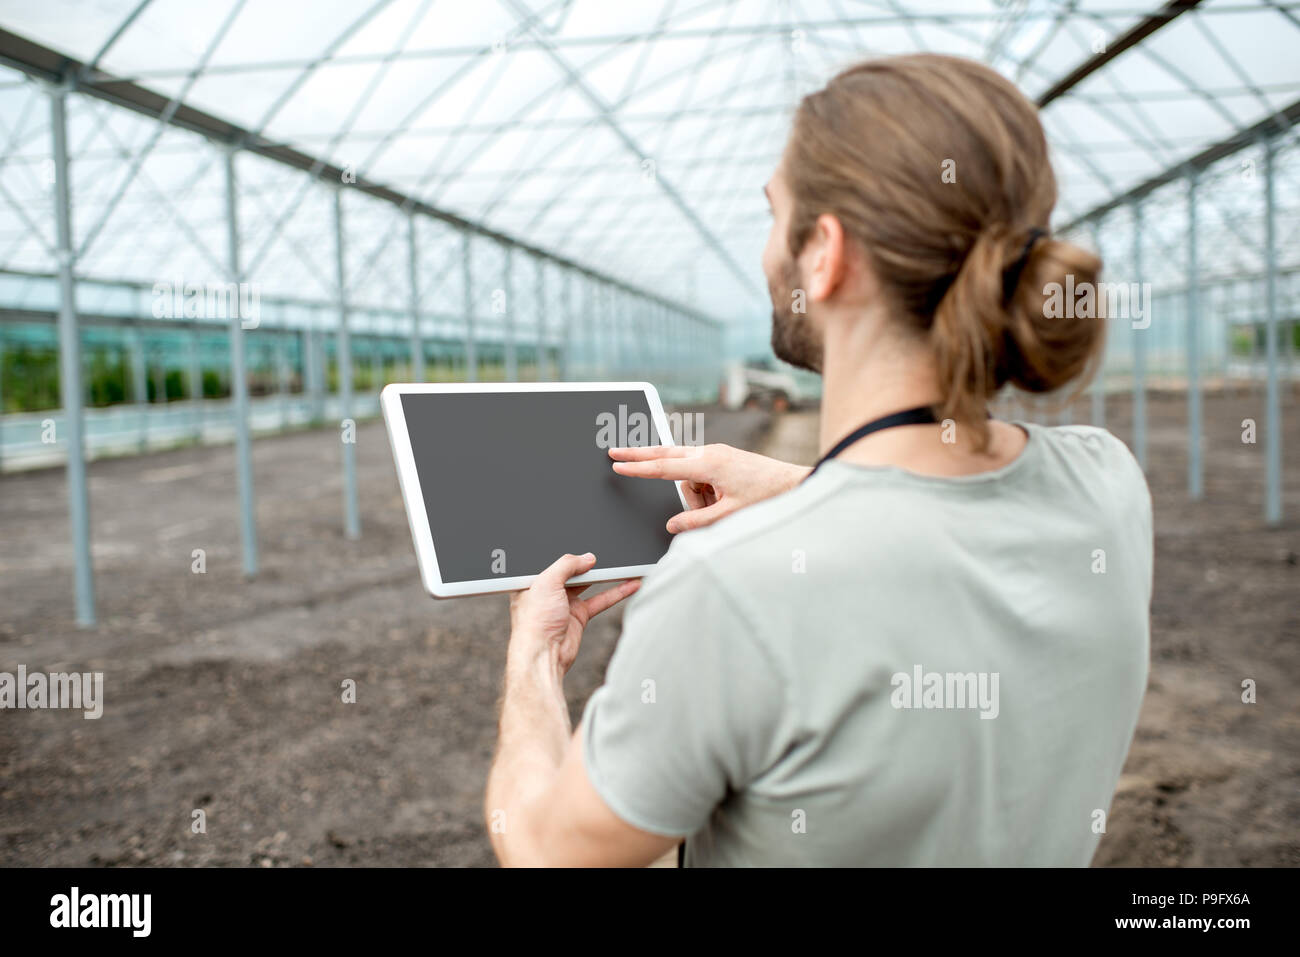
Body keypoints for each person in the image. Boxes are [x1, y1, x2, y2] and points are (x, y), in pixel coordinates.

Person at [484, 53, 1152, 867]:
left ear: (823, 255)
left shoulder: (732, 588)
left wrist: (532, 659)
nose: (767, 250)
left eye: (775, 217)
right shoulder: (1107, 483)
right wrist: (804, 490)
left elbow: (547, 853)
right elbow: (942, 527)